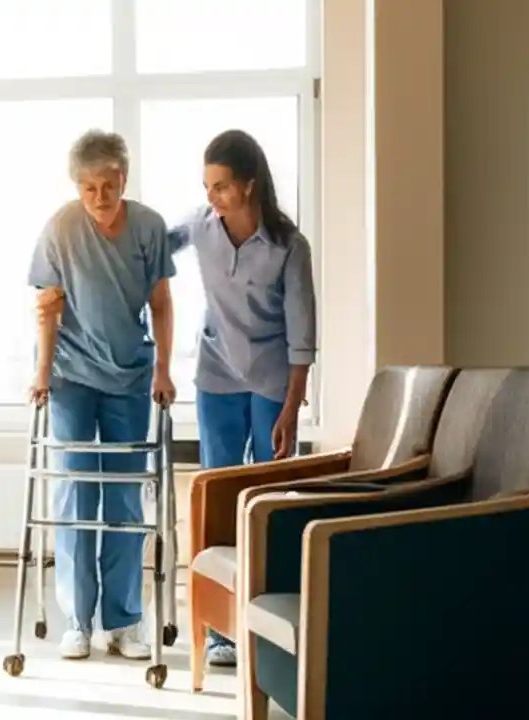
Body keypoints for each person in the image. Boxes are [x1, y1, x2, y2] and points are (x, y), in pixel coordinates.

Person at [168, 129, 318, 668]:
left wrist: (292, 406)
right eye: (207, 186)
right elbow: (151, 245)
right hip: (217, 374)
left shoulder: (288, 246)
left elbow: (303, 336)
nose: (212, 197)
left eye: (222, 186)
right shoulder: (201, 227)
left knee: (267, 493)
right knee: (220, 489)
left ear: (249, 185)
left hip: (273, 378)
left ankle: (269, 615)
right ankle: (221, 629)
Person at [27, 129, 177, 661]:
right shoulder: (61, 228)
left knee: (124, 499)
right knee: (76, 492)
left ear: (124, 179)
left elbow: (161, 303)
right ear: (77, 186)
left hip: (130, 376)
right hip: (71, 375)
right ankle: (78, 621)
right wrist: (41, 373)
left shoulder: (149, 227)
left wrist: (163, 370)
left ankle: (124, 622)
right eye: (88, 187)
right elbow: (48, 308)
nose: (99, 197)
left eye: (108, 185)